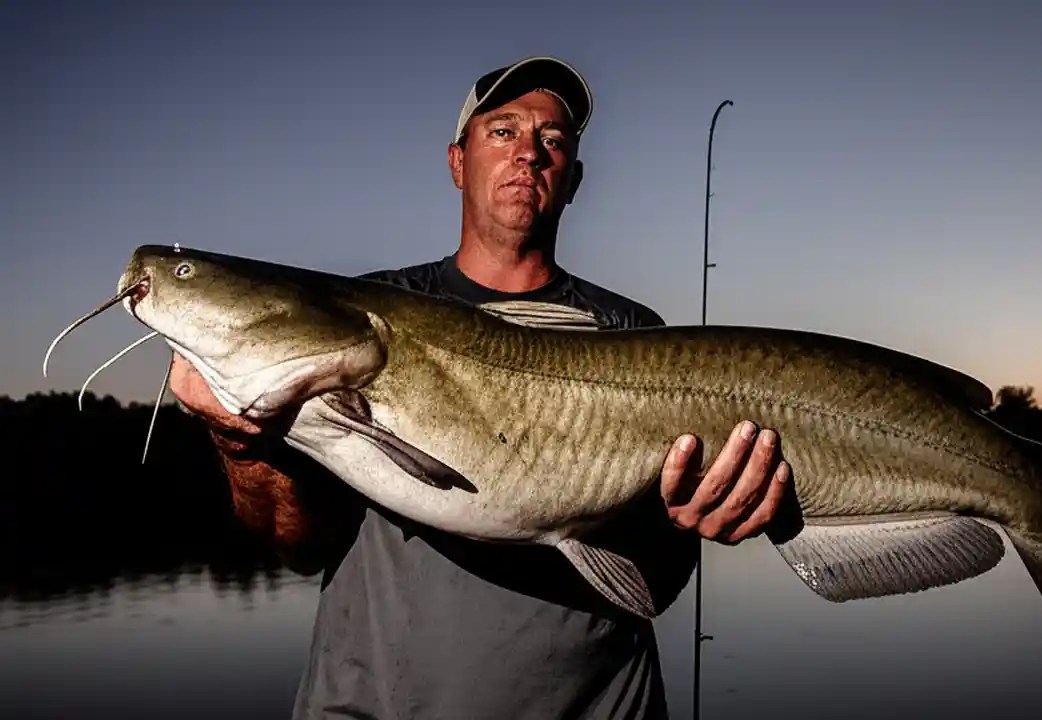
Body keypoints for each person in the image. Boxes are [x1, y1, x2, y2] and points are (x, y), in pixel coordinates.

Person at [168, 56, 792, 720]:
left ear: (574, 178)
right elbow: (294, 543)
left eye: (554, 140)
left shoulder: (631, 334)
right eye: (503, 130)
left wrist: (707, 515)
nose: (530, 152)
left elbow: (653, 585)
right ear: (457, 162)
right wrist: (239, 444)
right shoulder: (356, 315)